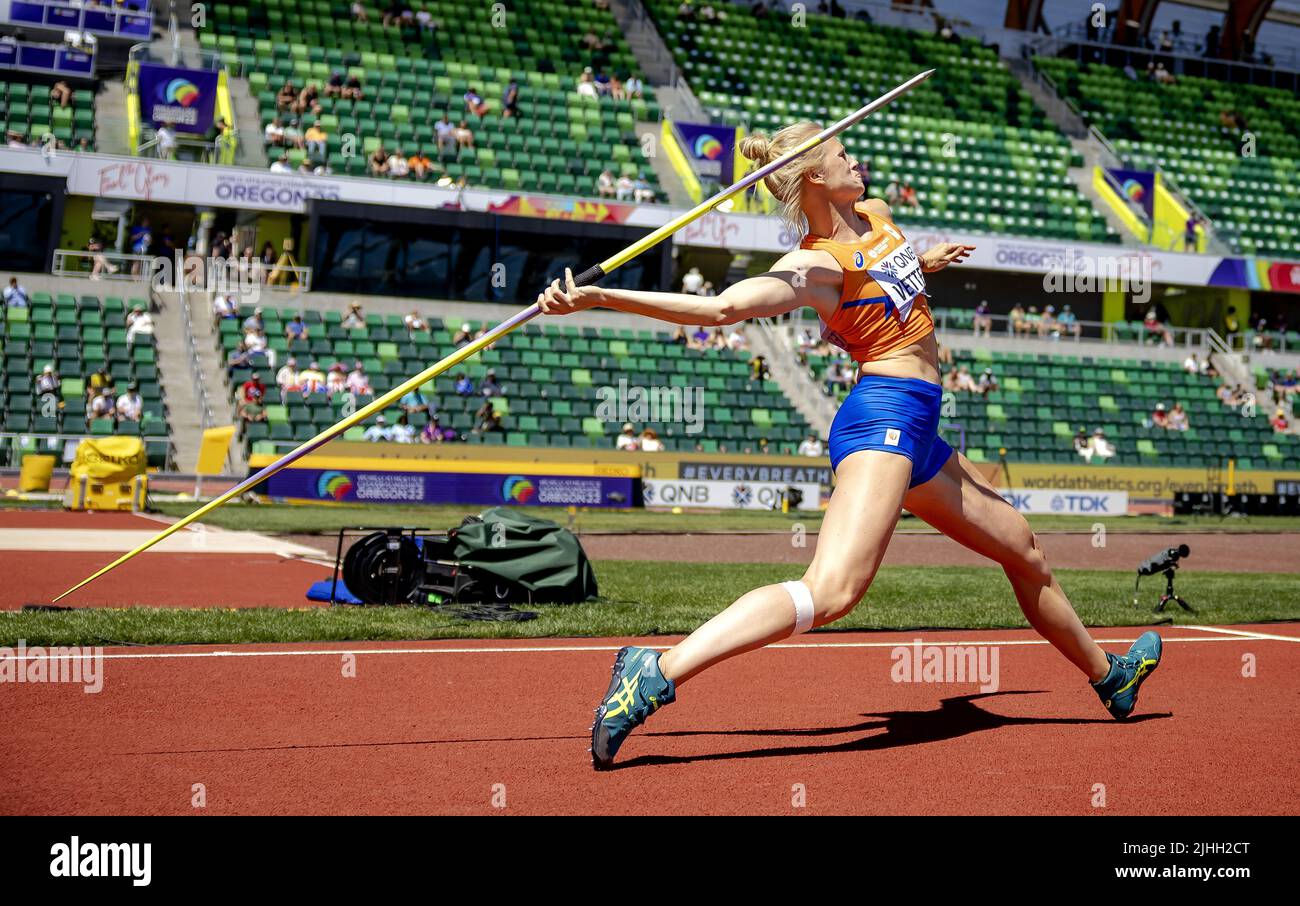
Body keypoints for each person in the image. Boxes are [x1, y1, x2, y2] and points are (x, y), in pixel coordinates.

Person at [536, 119, 1163, 769]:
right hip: (882, 418)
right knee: (832, 591)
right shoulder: (812, 266)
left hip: (920, 424)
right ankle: (654, 670)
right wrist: (601, 296)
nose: (855, 161)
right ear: (814, 177)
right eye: (841, 155)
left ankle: (1108, 677)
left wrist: (923, 264)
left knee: (1022, 548)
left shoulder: (875, 215)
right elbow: (723, 309)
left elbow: (883, 277)